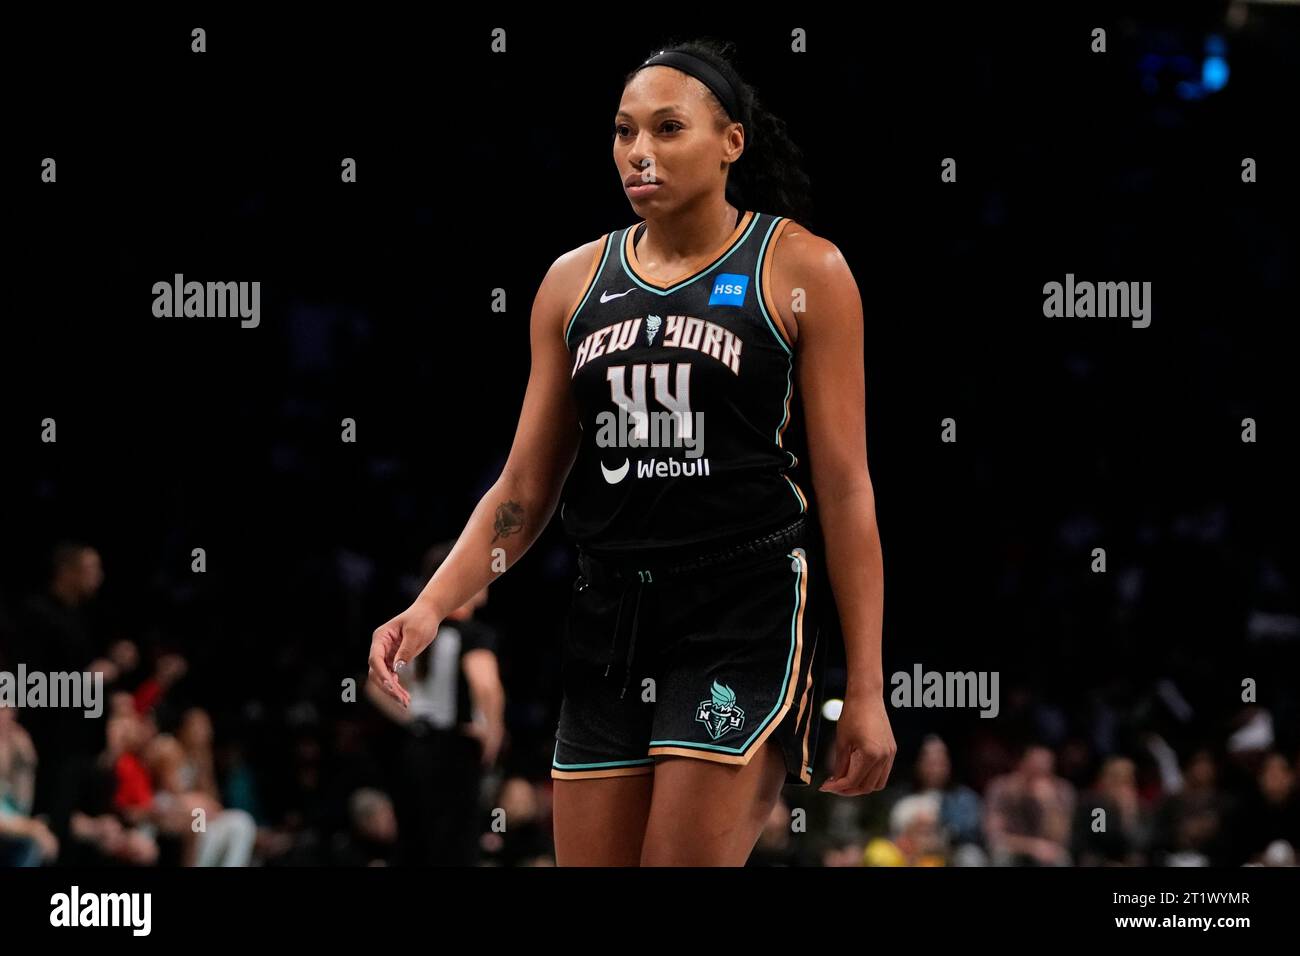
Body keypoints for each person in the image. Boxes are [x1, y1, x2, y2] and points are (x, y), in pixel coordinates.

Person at [368, 38, 892, 866]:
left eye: (667, 128)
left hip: (743, 613)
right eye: (623, 131)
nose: (638, 151)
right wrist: (431, 605)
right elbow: (524, 488)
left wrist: (866, 685)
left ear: (731, 142)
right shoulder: (573, 282)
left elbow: (847, 490)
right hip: (610, 615)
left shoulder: (803, 269)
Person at [367, 540, 505, 865]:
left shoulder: (418, 632)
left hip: (416, 748)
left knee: (416, 841)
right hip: (455, 751)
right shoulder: (472, 634)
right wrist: (493, 733)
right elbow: (487, 686)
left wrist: (412, 717)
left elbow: (374, 685)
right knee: (456, 846)